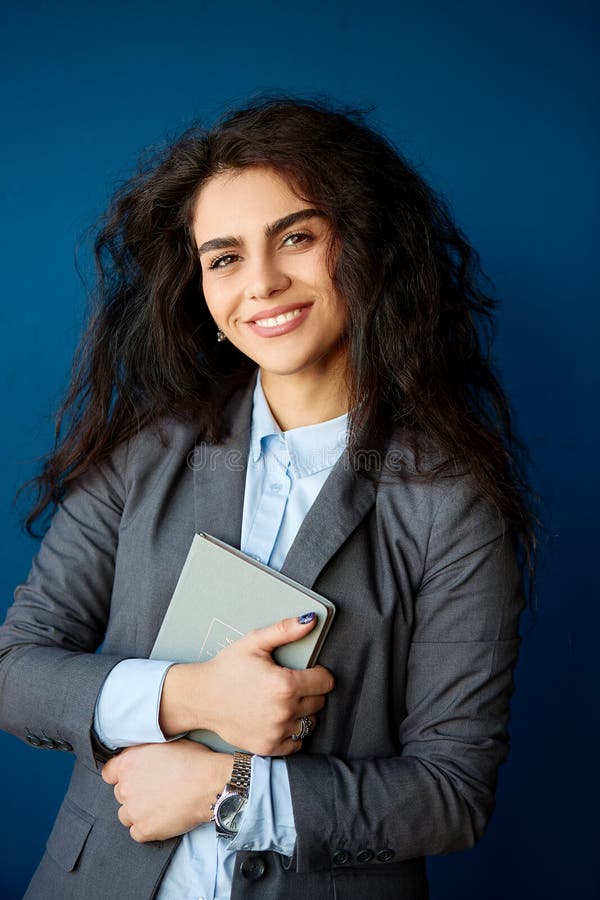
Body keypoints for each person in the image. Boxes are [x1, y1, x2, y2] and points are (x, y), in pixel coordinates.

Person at [0, 96, 536, 900]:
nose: (263, 283)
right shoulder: (143, 454)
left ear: (365, 247)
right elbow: (16, 670)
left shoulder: (451, 500)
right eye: (224, 257)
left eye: (296, 237)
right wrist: (188, 696)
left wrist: (231, 792)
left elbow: (452, 794)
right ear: (201, 289)